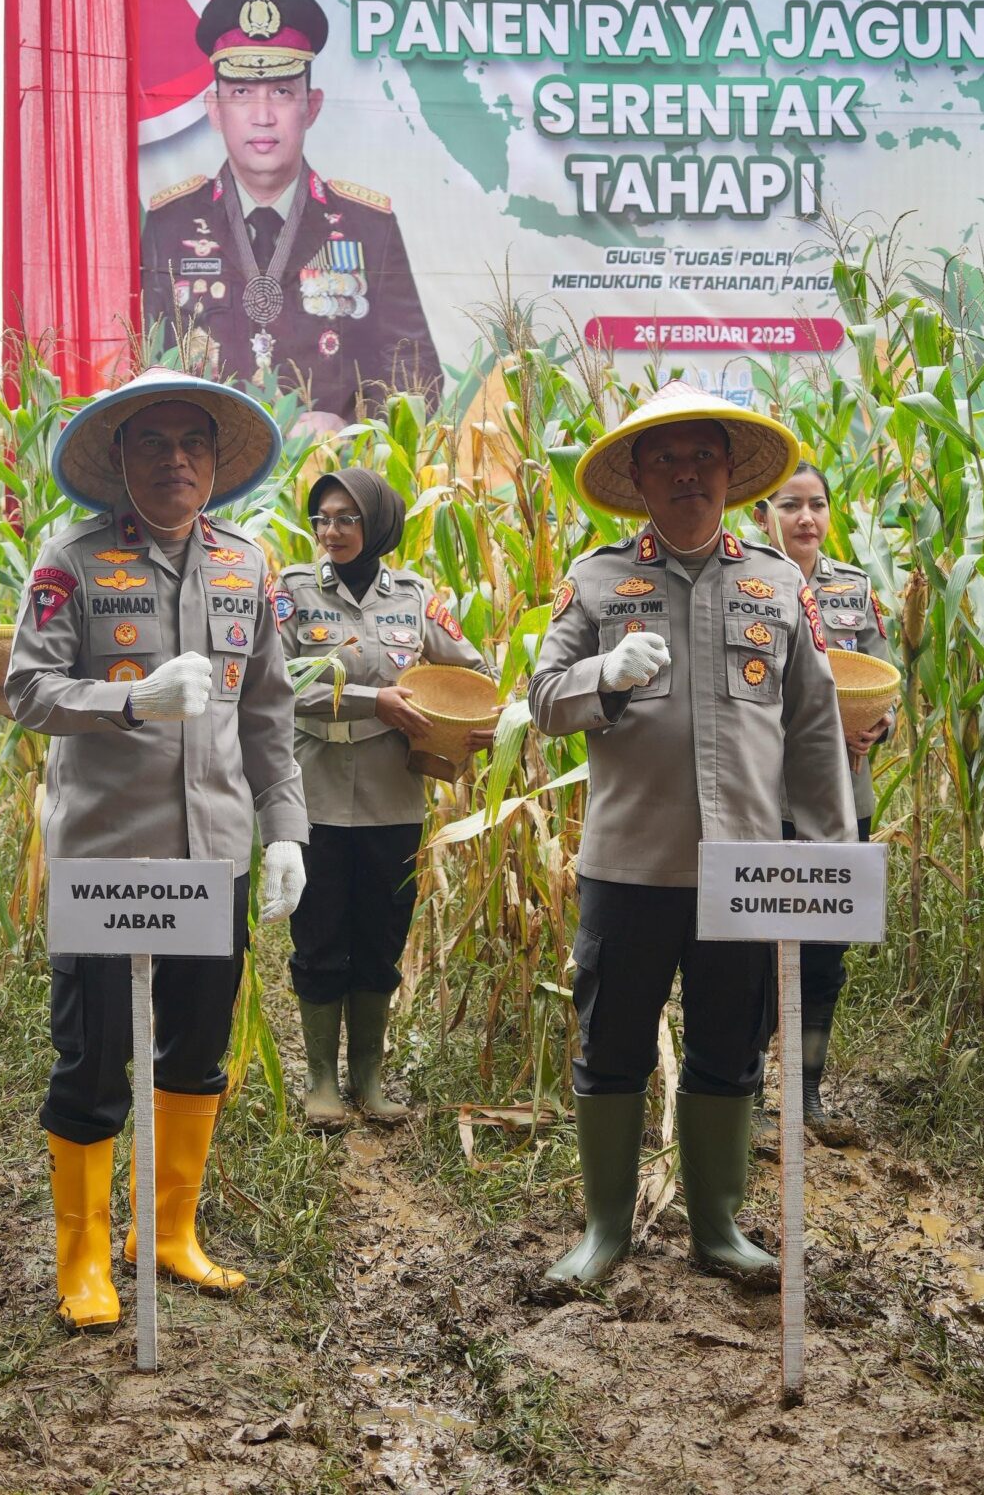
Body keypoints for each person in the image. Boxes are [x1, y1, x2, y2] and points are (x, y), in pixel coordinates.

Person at [5, 369, 308, 1330]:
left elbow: (268, 712)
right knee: (93, 1058)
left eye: (193, 444)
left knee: (196, 1046)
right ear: (121, 460)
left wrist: (288, 831)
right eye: (154, 444)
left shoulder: (248, 567)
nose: (176, 460)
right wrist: (130, 700)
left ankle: (167, 1233)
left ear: (215, 463)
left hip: (210, 854)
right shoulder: (73, 562)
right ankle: (84, 1259)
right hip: (107, 858)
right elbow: (28, 691)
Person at [530, 382, 853, 1285]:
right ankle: (605, 1229)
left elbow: (813, 728)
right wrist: (606, 672)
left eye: (701, 459)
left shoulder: (778, 581)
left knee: (728, 1045)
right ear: (637, 476)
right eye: (664, 460)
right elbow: (543, 702)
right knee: (613, 1045)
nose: (685, 475)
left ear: (729, 475)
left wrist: (827, 856)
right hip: (631, 862)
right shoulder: (596, 579)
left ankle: (718, 1225)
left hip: (745, 866)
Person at [278, 465, 491, 1129]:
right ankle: (319, 1080)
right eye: (322, 519)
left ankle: (368, 1076)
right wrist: (377, 698)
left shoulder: (415, 597)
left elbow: (473, 667)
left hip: (393, 797)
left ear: (378, 523)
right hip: (313, 793)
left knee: (379, 938)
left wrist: (465, 721)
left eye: (347, 518)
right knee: (318, 938)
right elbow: (275, 679)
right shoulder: (292, 593)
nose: (331, 531)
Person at [139, 0, 441, 427]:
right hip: (216, 487)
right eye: (242, 93)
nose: (262, 116)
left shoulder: (368, 227)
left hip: (332, 487)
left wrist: (353, 427)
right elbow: (144, 372)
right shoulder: (171, 225)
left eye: (281, 92)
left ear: (312, 105)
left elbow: (419, 380)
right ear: (214, 109)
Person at [754, 461, 891, 1140]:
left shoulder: (853, 590)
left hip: (841, 797)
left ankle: (806, 1094)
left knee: (823, 950)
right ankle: (746, 1092)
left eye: (818, 504)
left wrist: (876, 723)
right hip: (763, 797)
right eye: (791, 505)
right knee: (752, 949)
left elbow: (882, 677)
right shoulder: (744, 584)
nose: (806, 517)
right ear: (763, 515)